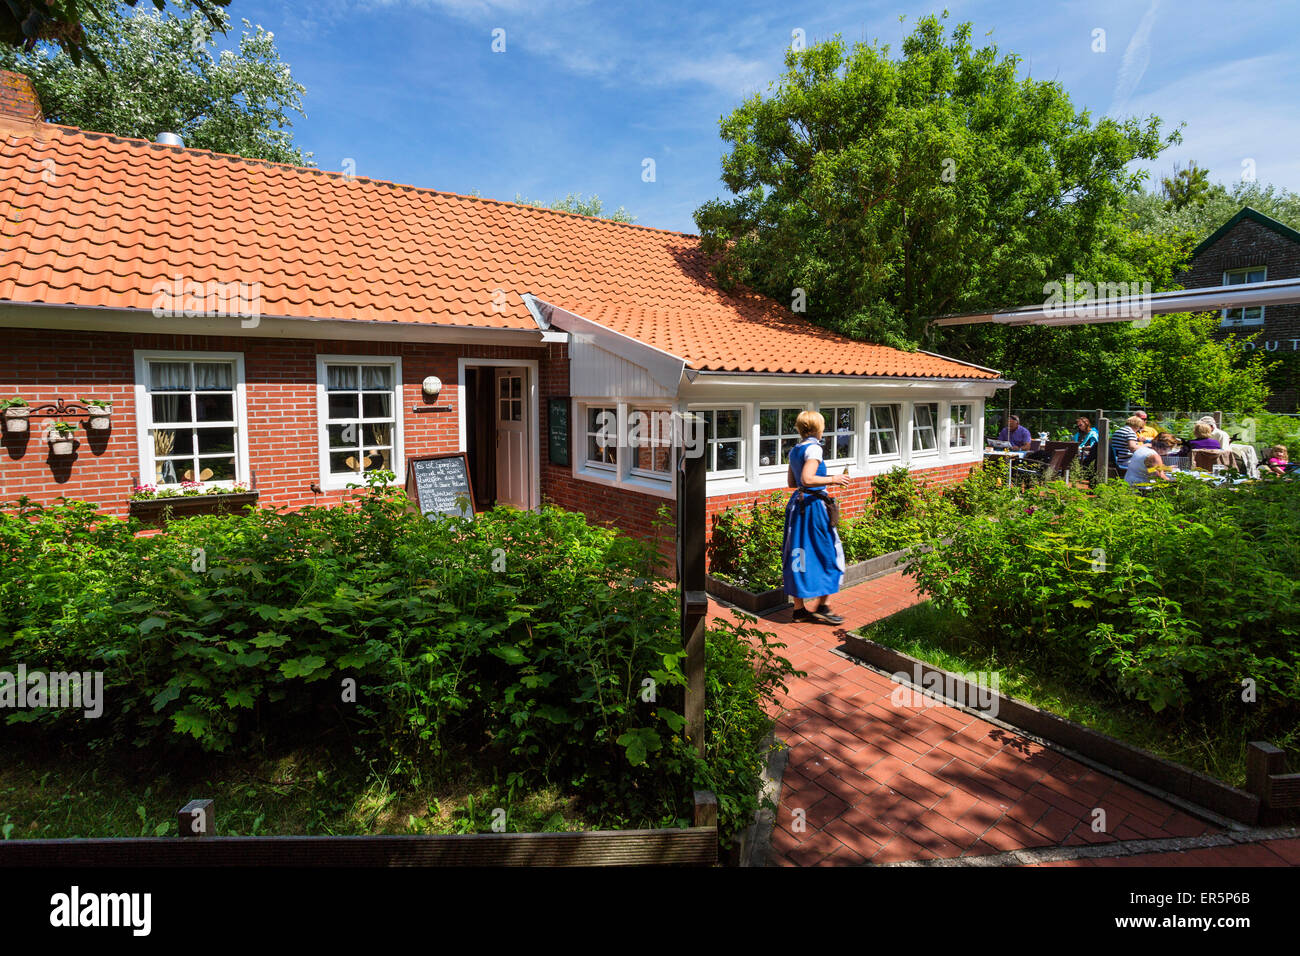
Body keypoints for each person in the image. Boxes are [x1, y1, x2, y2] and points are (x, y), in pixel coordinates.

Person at [783, 410, 851, 625]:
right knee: (829, 551)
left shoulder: (796, 449)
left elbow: (792, 483)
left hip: (797, 507)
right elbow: (807, 478)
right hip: (812, 508)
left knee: (799, 554)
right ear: (816, 428)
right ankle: (823, 606)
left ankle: (799, 609)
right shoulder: (814, 449)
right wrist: (834, 479)